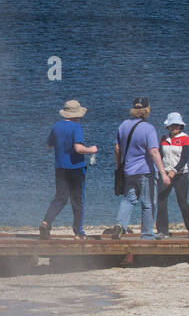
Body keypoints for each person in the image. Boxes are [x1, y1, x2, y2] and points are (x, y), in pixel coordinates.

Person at [108, 99, 169, 241]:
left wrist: (119, 165)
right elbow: (154, 152)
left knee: (129, 200)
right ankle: (147, 235)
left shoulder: (123, 125)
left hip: (128, 171)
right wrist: (163, 173)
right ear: (147, 110)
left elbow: (117, 148)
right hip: (146, 172)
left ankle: (119, 225)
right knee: (148, 204)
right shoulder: (149, 128)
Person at [39, 99, 97, 240]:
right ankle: (78, 233)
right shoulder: (76, 127)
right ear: (77, 114)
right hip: (76, 169)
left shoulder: (56, 126)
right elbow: (78, 148)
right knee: (77, 200)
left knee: (60, 198)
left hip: (60, 168)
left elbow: (49, 145)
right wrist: (91, 150)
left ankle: (46, 222)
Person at [157, 112, 189, 237]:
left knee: (182, 202)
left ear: (181, 126)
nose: (174, 127)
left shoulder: (185, 138)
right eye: (172, 125)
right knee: (161, 201)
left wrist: (174, 170)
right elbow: (159, 155)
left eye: (177, 125)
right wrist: (159, 171)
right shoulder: (164, 139)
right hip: (165, 175)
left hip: (181, 175)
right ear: (167, 126)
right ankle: (162, 231)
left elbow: (184, 158)